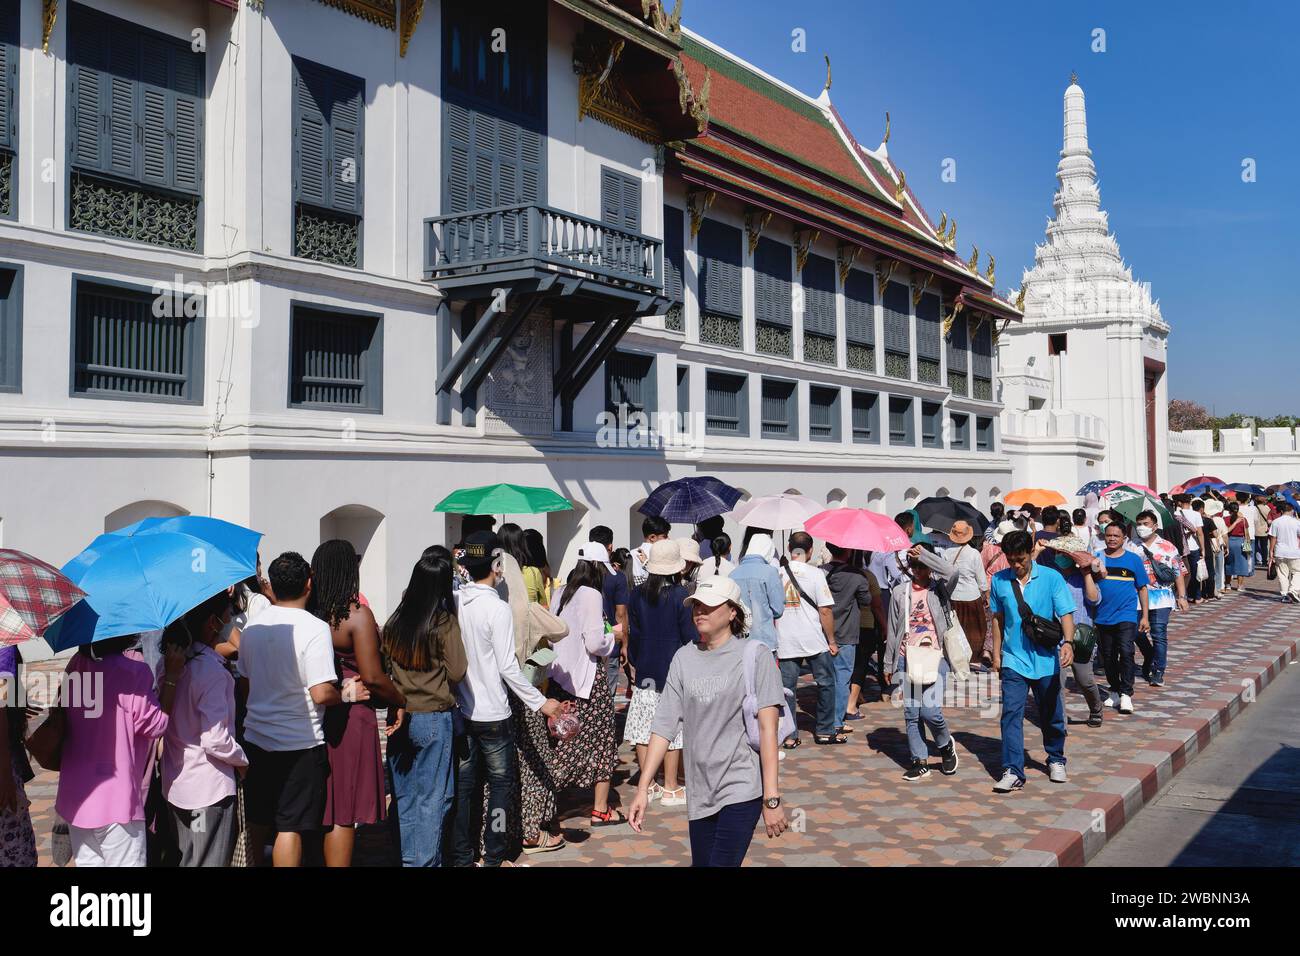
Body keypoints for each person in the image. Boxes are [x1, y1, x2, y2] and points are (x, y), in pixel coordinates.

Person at [627, 577, 789, 866]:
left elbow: (768, 729)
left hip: (740, 785)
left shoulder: (754, 655)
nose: (700, 611)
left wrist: (772, 798)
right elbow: (663, 726)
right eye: (696, 605)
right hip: (699, 789)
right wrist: (643, 788)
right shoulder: (683, 658)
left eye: (710, 606)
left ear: (732, 612)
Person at [452, 531, 561, 868]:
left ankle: (461, 854)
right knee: (500, 787)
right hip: (494, 714)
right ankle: (495, 854)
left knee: (466, 787)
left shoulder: (455, 602)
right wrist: (541, 703)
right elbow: (508, 668)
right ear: (496, 567)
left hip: (464, 710)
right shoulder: (496, 608)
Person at [240, 552, 352, 867]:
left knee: (258, 822)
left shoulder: (252, 628)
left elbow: (246, 685)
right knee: (289, 828)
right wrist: (344, 694)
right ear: (308, 584)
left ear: (271, 587)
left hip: (257, 737)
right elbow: (320, 692)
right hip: (300, 743)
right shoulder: (314, 628)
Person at [309, 539, 405, 867]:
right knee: (344, 810)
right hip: (351, 718)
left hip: (312, 715)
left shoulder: (309, 613)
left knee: (322, 802)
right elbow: (374, 678)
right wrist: (400, 699)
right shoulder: (355, 615)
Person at [383, 546, 467, 867]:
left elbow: (384, 664)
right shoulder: (443, 623)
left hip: (401, 716)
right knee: (434, 799)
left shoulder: (396, 621)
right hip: (434, 716)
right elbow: (458, 671)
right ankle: (423, 862)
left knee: (405, 796)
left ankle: (409, 858)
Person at [54, 634, 169, 867]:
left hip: (77, 797)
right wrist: (174, 679)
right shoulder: (135, 671)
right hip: (117, 799)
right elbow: (156, 724)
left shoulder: (76, 666)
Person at [156, 591, 248, 867]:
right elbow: (216, 739)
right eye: (229, 615)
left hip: (178, 787)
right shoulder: (211, 672)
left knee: (191, 858)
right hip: (207, 792)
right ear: (212, 622)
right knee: (207, 860)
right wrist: (242, 760)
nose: (232, 621)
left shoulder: (174, 663)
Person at [989, 531, 1075, 790]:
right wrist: (996, 654)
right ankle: (1013, 770)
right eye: (1011, 559)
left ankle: (1056, 758)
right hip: (1013, 659)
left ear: (1030, 554)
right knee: (1011, 714)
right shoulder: (999, 580)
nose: (1016, 565)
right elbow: (997, 619)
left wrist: (1068, 643)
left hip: (1046, 659)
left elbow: (1066, 613)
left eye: (1021, 559)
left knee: (1050, 712)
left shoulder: (1051, 578)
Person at [548, 546, 623, 828]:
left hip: (559, 677)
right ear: (597, 568)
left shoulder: (560, 592)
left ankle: (550, 806)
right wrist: (612, 636)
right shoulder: (592, 594)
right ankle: (601, 809)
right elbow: (594, 643)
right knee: (602, 741)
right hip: (587, 681)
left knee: (561, 739)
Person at [625, 540, 698, 806]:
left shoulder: (638, 593)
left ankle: (650, 783)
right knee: (673, 727)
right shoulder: (682, 596)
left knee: (644, 726)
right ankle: (671, 786)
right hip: (674, 667)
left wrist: (634, 658)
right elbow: (689, 636)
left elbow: (634, 631)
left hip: (645, 664)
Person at [883, 544, 961, 782]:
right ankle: (920, 760)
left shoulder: (940, 589)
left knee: (930, 711)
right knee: (911, 713)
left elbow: (953, 573)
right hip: (908, 657)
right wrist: (889, 664)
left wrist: (925, 555)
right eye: (914, 565)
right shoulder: (899, 592)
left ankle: (945, 744)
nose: (917, 570)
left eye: (922, 565)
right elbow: (893, 629)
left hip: (936, 656)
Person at [774, 532, 841, 746]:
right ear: (810, 550)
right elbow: (825, 611)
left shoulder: (777, 574)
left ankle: (789, 735)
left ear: (788, 548)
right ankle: (824, 730)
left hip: (785, 639)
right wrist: (831, 639)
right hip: (814, 639)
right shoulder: (816, 574)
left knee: (787, 690)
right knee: (827, 684)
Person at [1039, 544, 1107, 727]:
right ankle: (1060, 722)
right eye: (1056, 553)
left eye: (1063, 554)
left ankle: (1096, 708)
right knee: (1057, 682)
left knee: (1084, 679)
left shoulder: (1085, 578)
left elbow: (1094, 599)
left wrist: (1085, 573)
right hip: (1057, 637)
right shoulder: (1052, 577)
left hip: (1081, 638)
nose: (1059, 557)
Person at [1093, 521, 1150, 715]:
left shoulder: (1133, 560)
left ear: (1124, 538)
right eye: (1109, 535)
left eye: (1116, 536)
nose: (1112, 539)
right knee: (1108, 656)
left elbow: (1142, 588)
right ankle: (1115, 689)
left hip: (1126, 614)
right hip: (1102, 616)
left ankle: (1126, 693)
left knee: (1126, 651)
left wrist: (1145, 616)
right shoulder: (1098, 557)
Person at [822, 543, 884, 718]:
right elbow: (868, 601)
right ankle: (841, 714)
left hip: (824, 629)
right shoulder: (860, 576)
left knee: (828, 674)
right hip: (851, 629)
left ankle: (828, 714)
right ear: (848, 551)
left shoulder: (820, 572)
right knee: (847, 673)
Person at [1131, 511, 1188, 688]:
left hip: (1161, 598)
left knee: (1158, 634)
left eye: (1146, 523)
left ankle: (1158, 670)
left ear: (1155, 526)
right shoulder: (1131, 546)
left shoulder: (1168, 547)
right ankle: (1150, 656)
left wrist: (1182, 596)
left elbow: (1178, 572)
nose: (1142, 527)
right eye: (1139, 523)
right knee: (1135, 632)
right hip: (1137, 597)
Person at [0, 645, 36, 867]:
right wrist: (4, 775)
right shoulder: (4, 646)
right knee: (14, 851)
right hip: (3, 765)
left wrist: (17, 704)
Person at [590, 525, 630, 700]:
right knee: (608, 694)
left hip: (586, 641)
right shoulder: (617, 577)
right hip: (610, 639)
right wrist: (625, 644)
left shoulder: (578, 573)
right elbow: (620, 614)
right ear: (610, 547)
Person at [728, 532, 785, 655]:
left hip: (739, 641)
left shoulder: (732, 574)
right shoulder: (770, 572)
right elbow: (778, 610)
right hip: (764, 640)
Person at [942, 521, 989, 671]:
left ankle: (957, 658)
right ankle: (973, 659)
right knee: (975, 630)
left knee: (956, 630)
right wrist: (986, 595)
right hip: (971, 596)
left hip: (953, 596)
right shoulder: (974, 553)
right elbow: (981, 580)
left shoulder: (946, 553)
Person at [1174, 494, 1206, 604]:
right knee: (1196, 572)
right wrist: (1203, 548)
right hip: (1194, 546)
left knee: (1182, 573)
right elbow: (1200, 533)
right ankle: (1197, 596)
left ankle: (1184, 595)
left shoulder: (1175, 514)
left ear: (1179, 503)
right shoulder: (1196, 514)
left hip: (1181, 548)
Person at [1268, 498, 1300, 604]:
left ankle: (1284, 594)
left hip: (1280, 551)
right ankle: (1293, 590)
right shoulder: (1296, 522)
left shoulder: (1276, 522)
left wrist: (1271, 551)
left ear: (1282, 511)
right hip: (1294, 551)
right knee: (1297, 572)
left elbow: (1273, 538)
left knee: (1282, 574)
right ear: (1292, 510)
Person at [630, 515, 672, 586]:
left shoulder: (632, 553)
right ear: (652, 537)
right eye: (665, 536)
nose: (668, 539)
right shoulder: (663, 553)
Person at [1223, 501, 1251, 591]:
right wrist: (1248, 543)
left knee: (1228, 563)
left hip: (1229, 541)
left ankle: (1227, 584)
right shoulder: (1243, 520)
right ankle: (1240, 585)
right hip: (1240, 542)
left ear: (1229, 510)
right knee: (1242, 563)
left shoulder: (1225, 519)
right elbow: (1247, 533)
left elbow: (1226, 531)